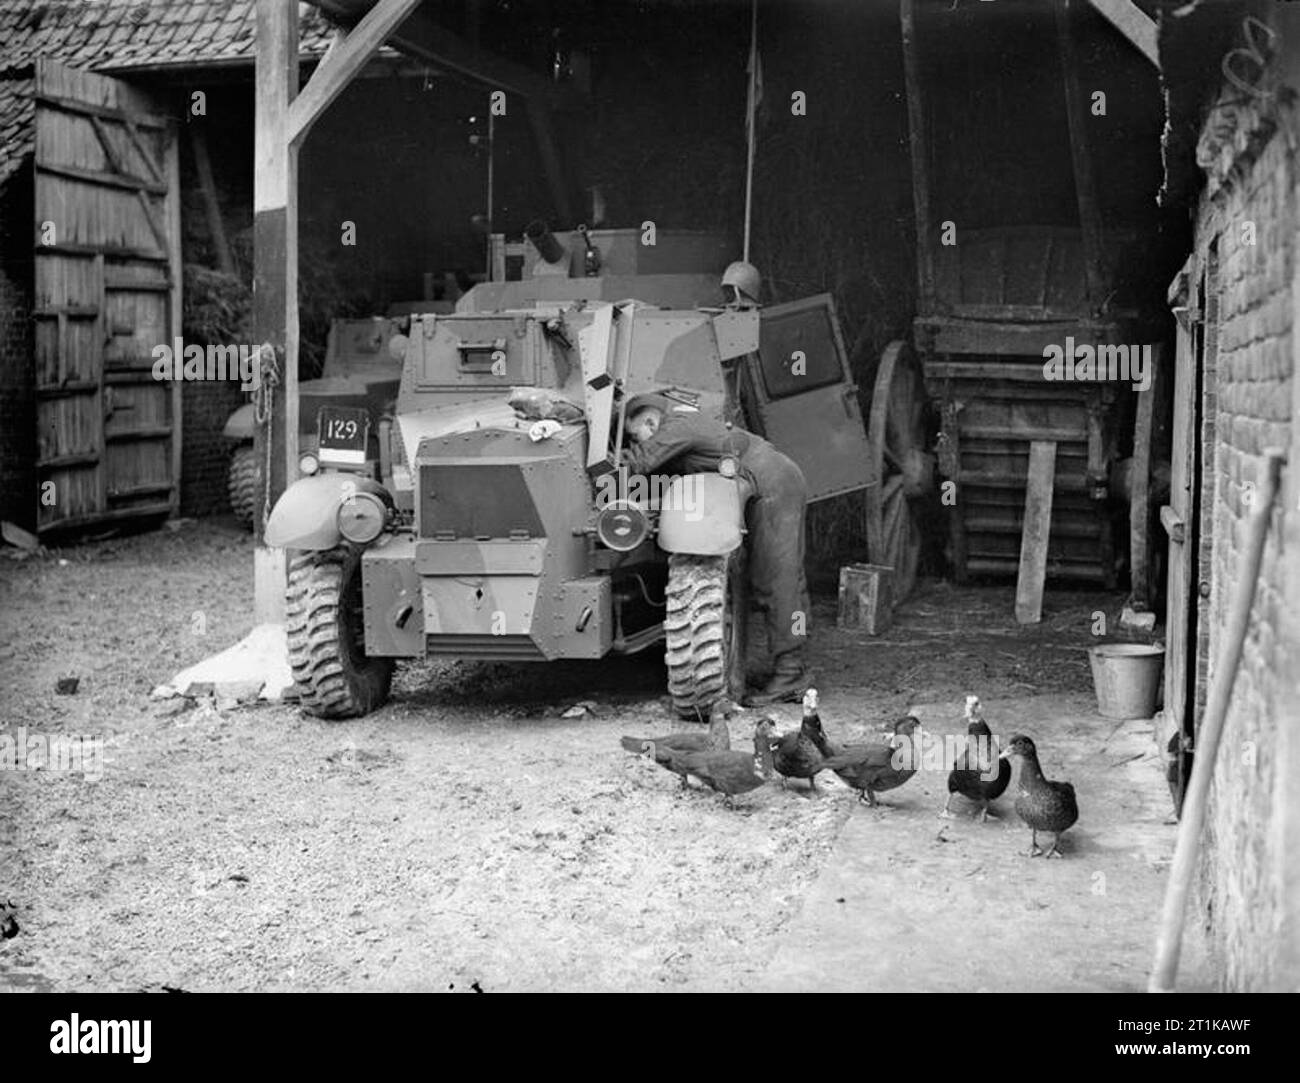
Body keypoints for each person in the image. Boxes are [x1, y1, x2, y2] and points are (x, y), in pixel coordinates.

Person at [621, 392, 811, 706]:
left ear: (649, 421)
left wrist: (601, 464)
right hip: (769, 478)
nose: (635, 439)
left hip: (774, 484)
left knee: (780, 582)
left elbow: (641, 462)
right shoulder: (684, 423)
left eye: (634, 434)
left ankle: (793, 675)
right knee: (777, 580)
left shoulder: (677, 427)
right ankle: (791, 668)